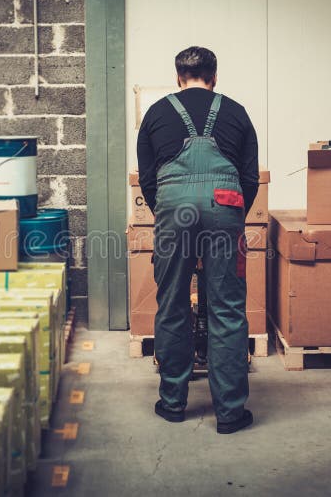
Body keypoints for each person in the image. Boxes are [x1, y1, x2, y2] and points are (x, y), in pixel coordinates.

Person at [136, 46, 259, 434]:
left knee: (172, 303)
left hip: (174, 209)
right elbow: (250, 178)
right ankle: (230, 413)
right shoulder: (236, 112)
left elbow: (148, 179)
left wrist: (169, 210)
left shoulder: (156, 113)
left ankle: (173, 403)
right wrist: (231, 215)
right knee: (226, 307)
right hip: (225, 206)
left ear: (178, 77)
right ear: (215, 76)